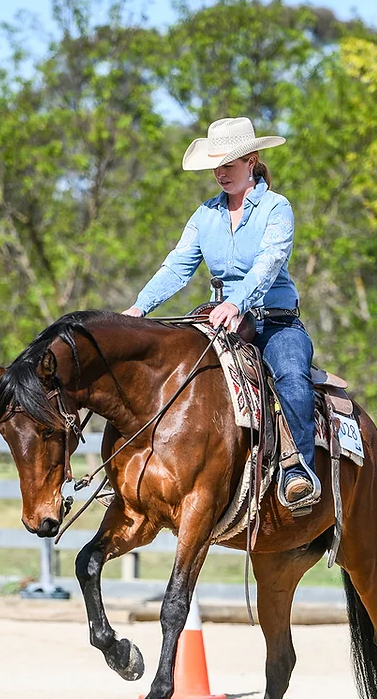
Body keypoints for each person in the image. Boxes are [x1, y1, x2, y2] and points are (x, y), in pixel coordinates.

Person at [122, 115, 320, 508]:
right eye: (216, 165)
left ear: (252, 160)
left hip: (274, 323)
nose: (220, 173)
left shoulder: (277, 209)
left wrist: (236, 301)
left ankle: (299, 471)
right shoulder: (204, 215)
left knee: (293, 378)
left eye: (228, 164)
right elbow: (178, 266)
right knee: (168, 378)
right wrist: (139, 307)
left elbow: (269, 264)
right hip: (220, 321)